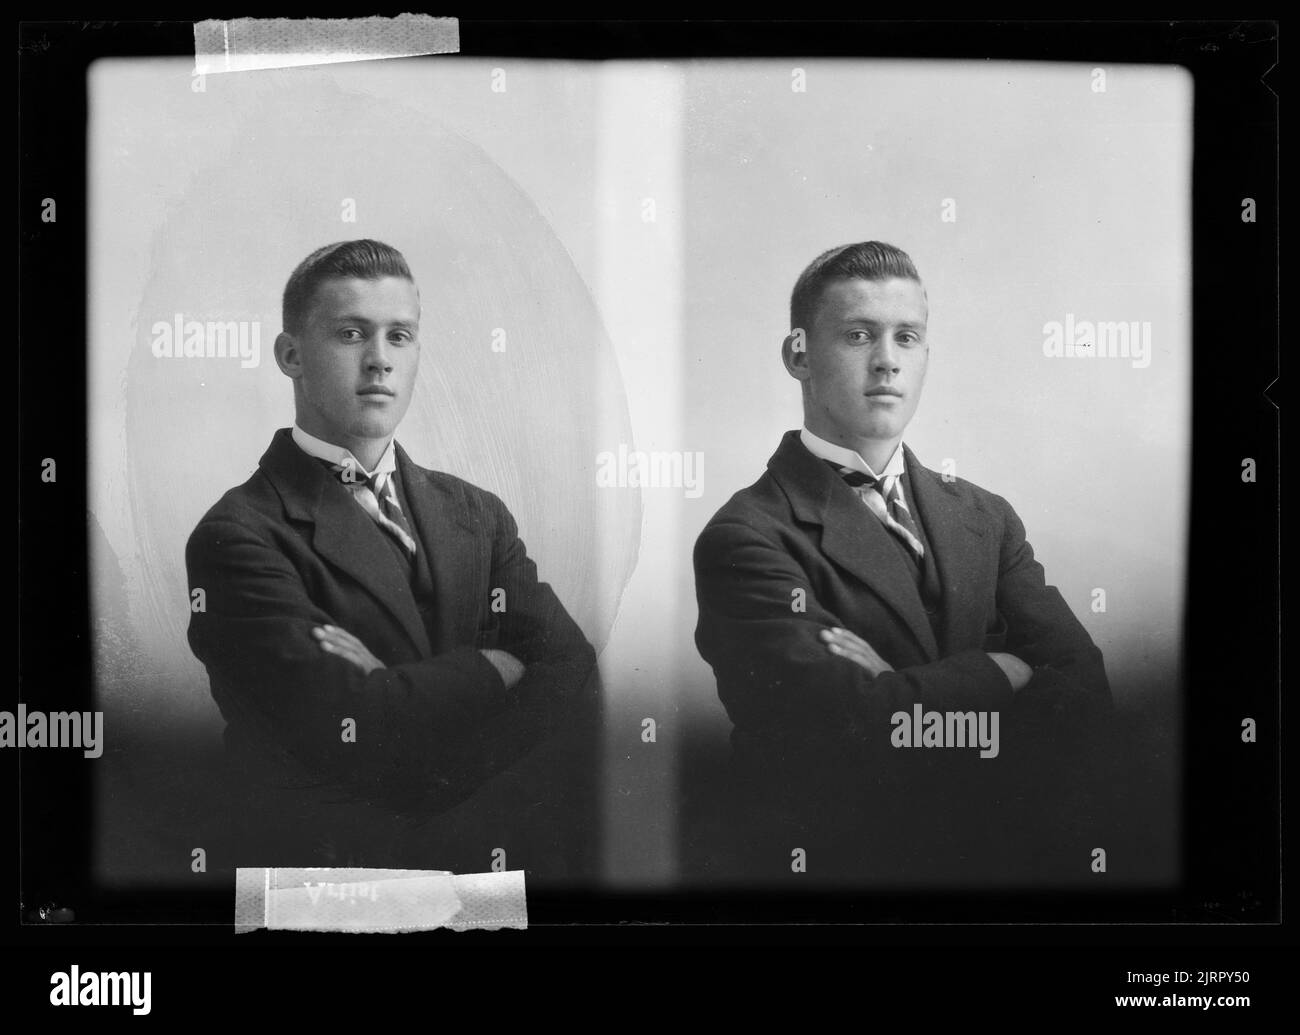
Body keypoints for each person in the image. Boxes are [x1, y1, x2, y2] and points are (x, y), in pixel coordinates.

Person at [691, 241, 1113, 884]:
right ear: (797, 354)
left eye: (907, 338)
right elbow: (849, 728)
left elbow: (1083, 690)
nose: (887, 361)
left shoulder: (986, 517)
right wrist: (1004, 670)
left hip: (995, 866)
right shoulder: (747, 536)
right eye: (859, 335)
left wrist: (901, 692)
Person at [186, 239, 597, 876]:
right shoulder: (239, 533)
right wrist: (493, 668)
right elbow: (355, 722)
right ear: (291, 355)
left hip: (476, 871)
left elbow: (570, 665)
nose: (379, 360)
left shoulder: (477, 513)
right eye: (352, 333)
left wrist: (410, 707)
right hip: (319, 879)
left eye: (399, 336)